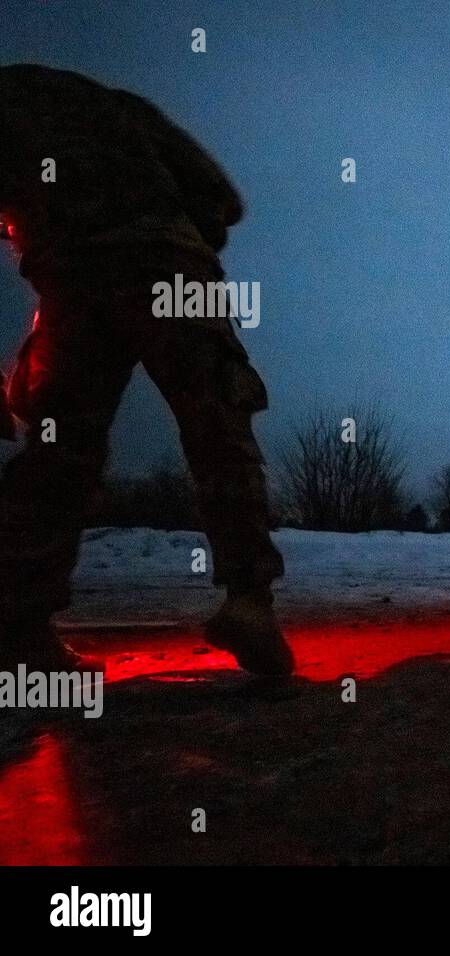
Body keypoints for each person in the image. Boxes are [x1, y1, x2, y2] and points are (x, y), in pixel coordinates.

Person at [0, 64, 291, 674]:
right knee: (217, 422)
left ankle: (22, 631)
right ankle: (250, 603)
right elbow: (224, 199)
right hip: (174, 265)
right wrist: (179, 231)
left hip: (73, 278)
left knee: (61, 447)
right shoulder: (121, 105)